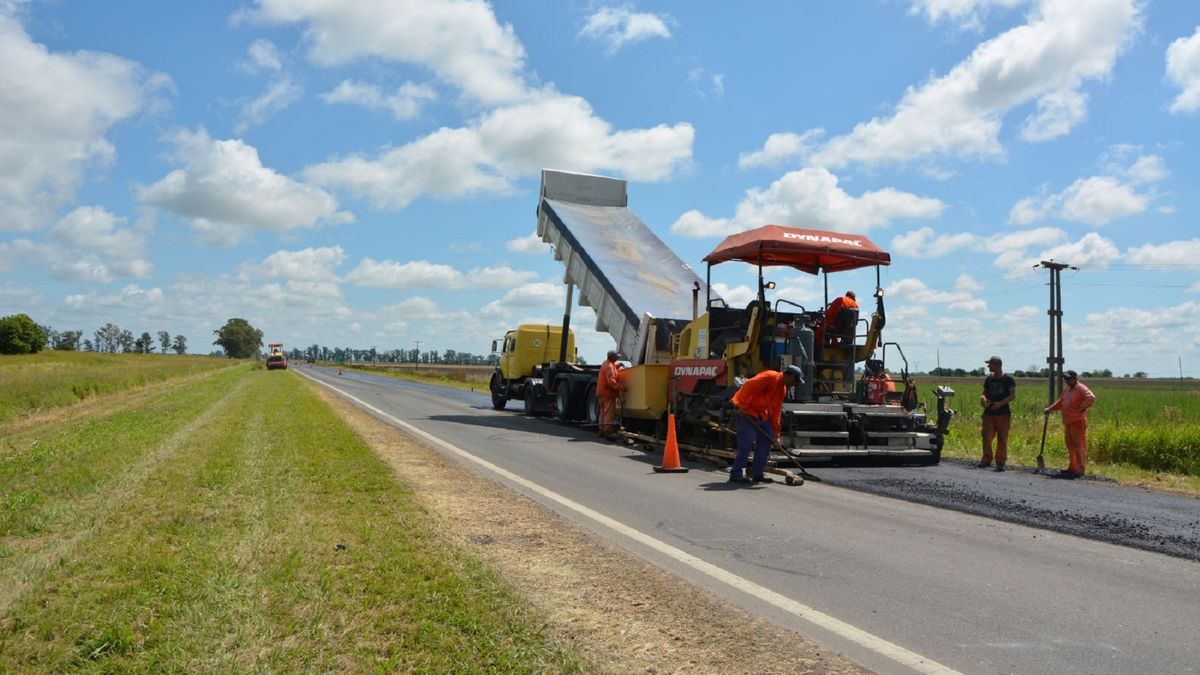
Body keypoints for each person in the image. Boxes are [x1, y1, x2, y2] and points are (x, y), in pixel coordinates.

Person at [729, 365, 804, 484]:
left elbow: (776, 412)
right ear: (789, 376)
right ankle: (736, 473)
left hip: (761, 415)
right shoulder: (770, 377)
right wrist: (741, 405)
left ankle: (757, 474)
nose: (795, 384)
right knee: (747, 442)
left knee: (767, 441)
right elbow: (748, 385)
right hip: (746, 412)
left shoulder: (782, 389)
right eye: (795, 381)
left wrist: (776, 434)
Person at [1044, 369, 1095, 479]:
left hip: (1077, 422)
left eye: (1068, 378)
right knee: (1070, 446)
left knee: (1078, 446)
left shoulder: (1081, 388)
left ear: (1075, 378)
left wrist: (1082, 407)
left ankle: (1080, 470)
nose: (1066, 380)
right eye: (1065, 378)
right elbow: (1060, 402)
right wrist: (1050, 408)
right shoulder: (1067, 390)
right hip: (1068, 422)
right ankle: (1073, 468)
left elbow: (1091, 397)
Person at [979, 355, 1016, 471]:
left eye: (990, 364)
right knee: (986, 436)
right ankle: (986, 459)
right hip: (989, 413)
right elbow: (984, 392)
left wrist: (1000, 403)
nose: (988, 366)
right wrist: (983, 399)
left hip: (1003, 414)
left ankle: (1000, 461)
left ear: (996, 365)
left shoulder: (1008, 379)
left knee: (1002, 438)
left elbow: (1012, 395)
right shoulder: (989, 379)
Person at [597, 350, 624, 438]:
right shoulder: (609, 366)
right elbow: (611, 381)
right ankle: (607, 431)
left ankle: (601, 429)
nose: (617, 358)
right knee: (608, 413)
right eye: (616, 357)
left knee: (603, 412)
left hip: (602, 392)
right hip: (608, 393)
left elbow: (611, 369)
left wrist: (618, 365)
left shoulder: (606, 363)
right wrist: (620, 387)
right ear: (612, 357)